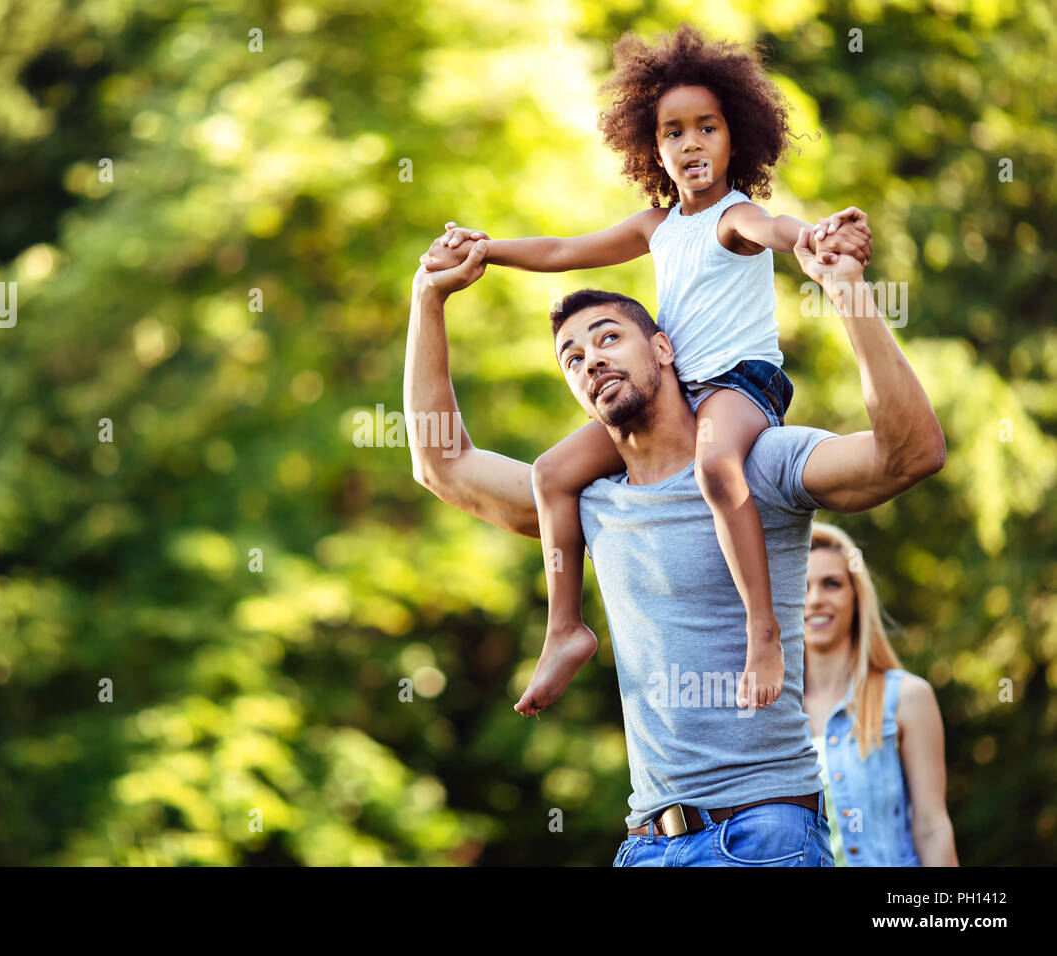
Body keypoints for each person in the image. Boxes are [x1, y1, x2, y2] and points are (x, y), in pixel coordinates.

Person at [404, 222, 945, 865]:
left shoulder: (760, 462)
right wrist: (427, 298)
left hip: (762, 834)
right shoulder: (588, 506)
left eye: (609, 338)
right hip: (646, 844)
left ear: (663, 349)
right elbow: (441, 464)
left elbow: (910, 454)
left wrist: (849, 294)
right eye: (573, 358)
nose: (592, 359)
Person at [422, 23, 872, 718]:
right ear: (651, 148)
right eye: (673, 133)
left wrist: (813, 240)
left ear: (735, 138)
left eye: (707, 128)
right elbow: (564, 249)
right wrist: (488, 249)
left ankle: (764, 633)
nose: (691, 144)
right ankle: (566, 629)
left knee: (717, 467)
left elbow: (778, 231)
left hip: (743, 383)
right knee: (551, 474)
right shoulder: (655, 227)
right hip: (683, 388)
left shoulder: (734, 215)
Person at [804, 522, 960, 865]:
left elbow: (932, 827)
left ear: (856, 597)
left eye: (832, 584)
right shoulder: (771, 715)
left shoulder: (907, 697)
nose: (815, 599)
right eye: (801, 585)